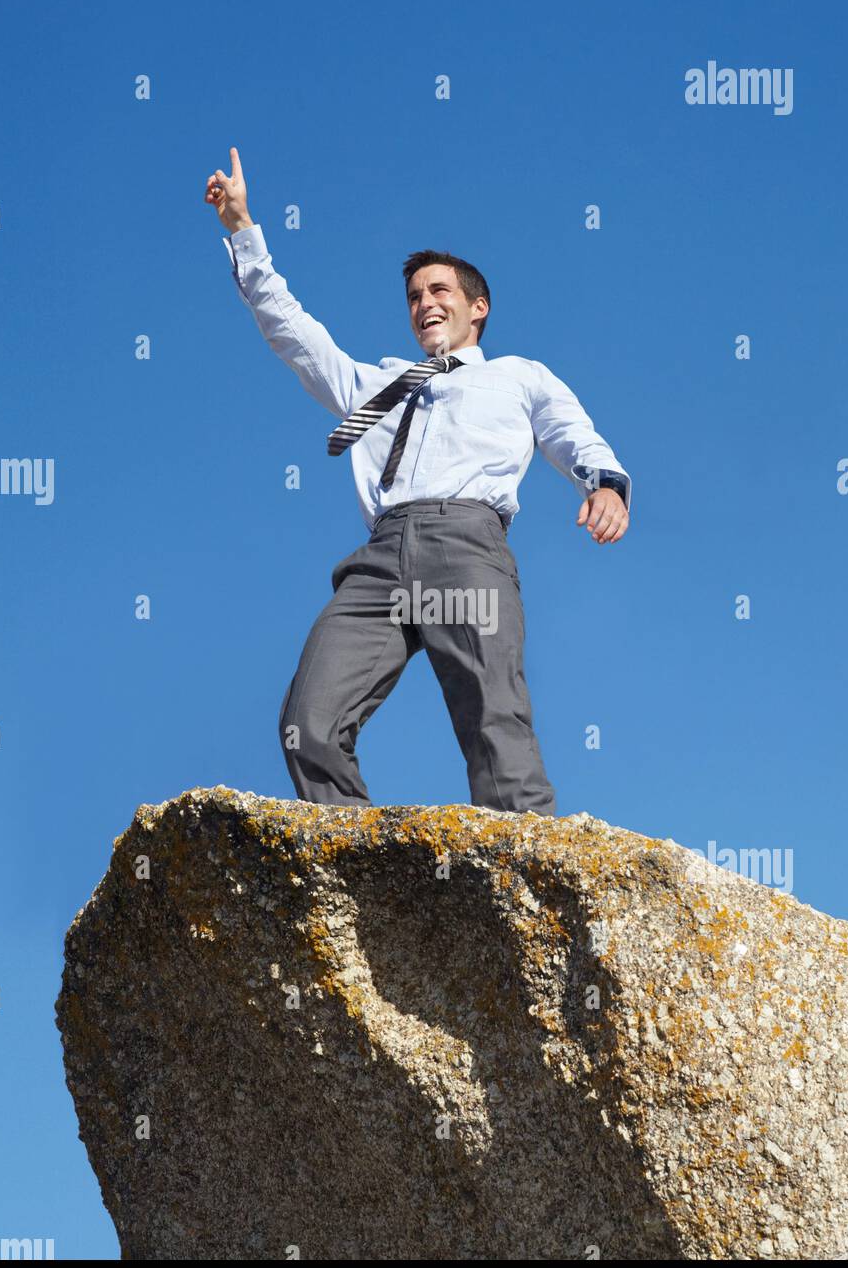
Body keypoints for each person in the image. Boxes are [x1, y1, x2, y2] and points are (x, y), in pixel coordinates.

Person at [205, 147, 632, 816]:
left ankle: (529, 894)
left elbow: (571, 434)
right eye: (413, 296)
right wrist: (242, 229)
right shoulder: (376, 384)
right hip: (378, 559)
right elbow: (289, 330)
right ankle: (354, 877)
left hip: (465, 543)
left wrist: (602, 484)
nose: (423, 303)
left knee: (493, 720)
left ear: (477, 307)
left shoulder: (517, 376)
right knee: (308, 720)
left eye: (439, 291)